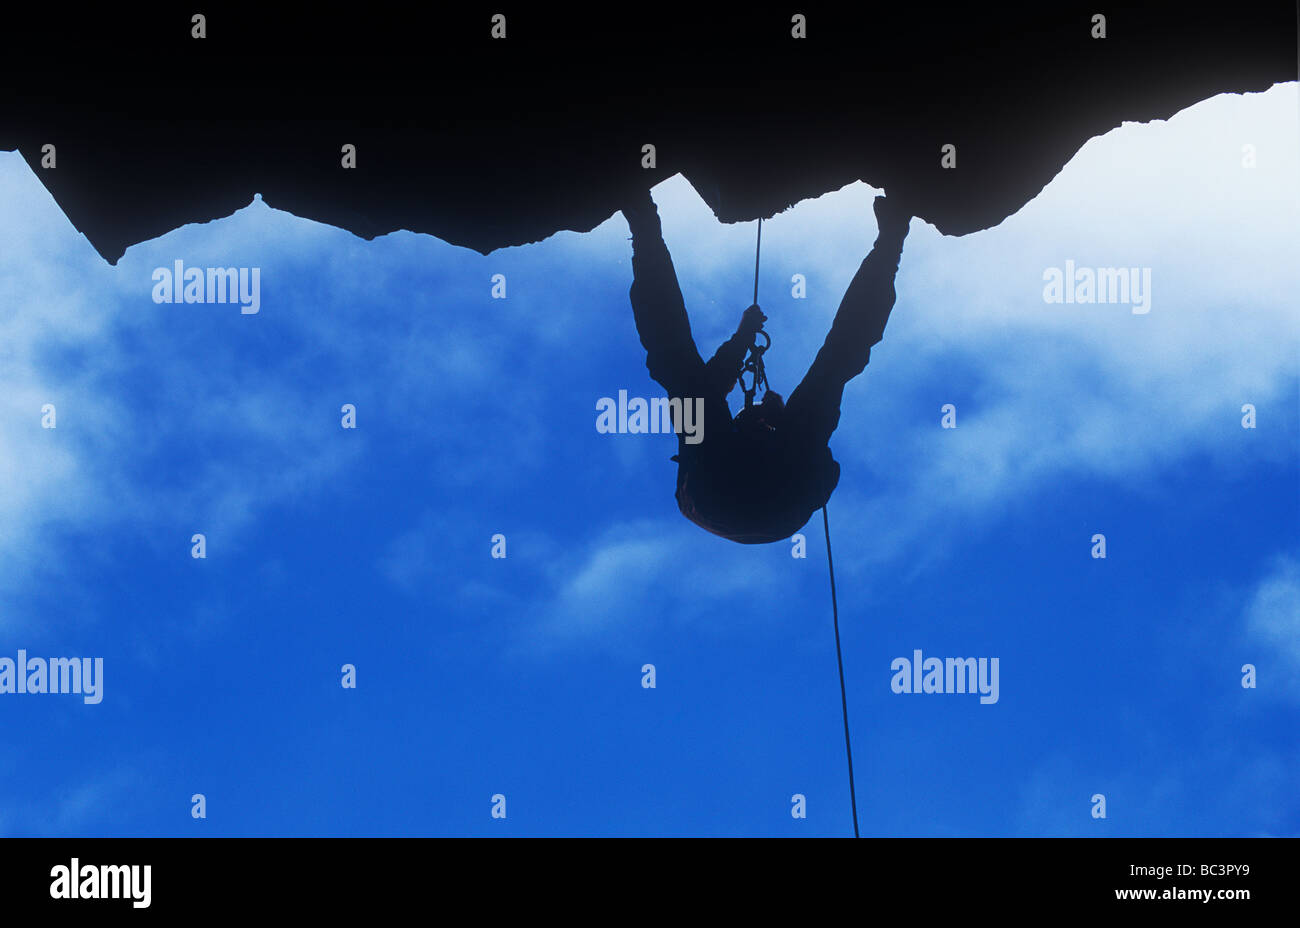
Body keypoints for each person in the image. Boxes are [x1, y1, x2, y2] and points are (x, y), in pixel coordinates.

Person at [622, 188, 911, 544]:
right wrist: (746, 349)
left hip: (744, 499)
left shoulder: (737, 443)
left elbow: (704, 390)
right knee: (831, 366)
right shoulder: (750, 445)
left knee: (832, 365)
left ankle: (644, 228)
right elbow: (704, 393)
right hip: (741, 498)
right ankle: (643, 226)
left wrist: (743, 341)